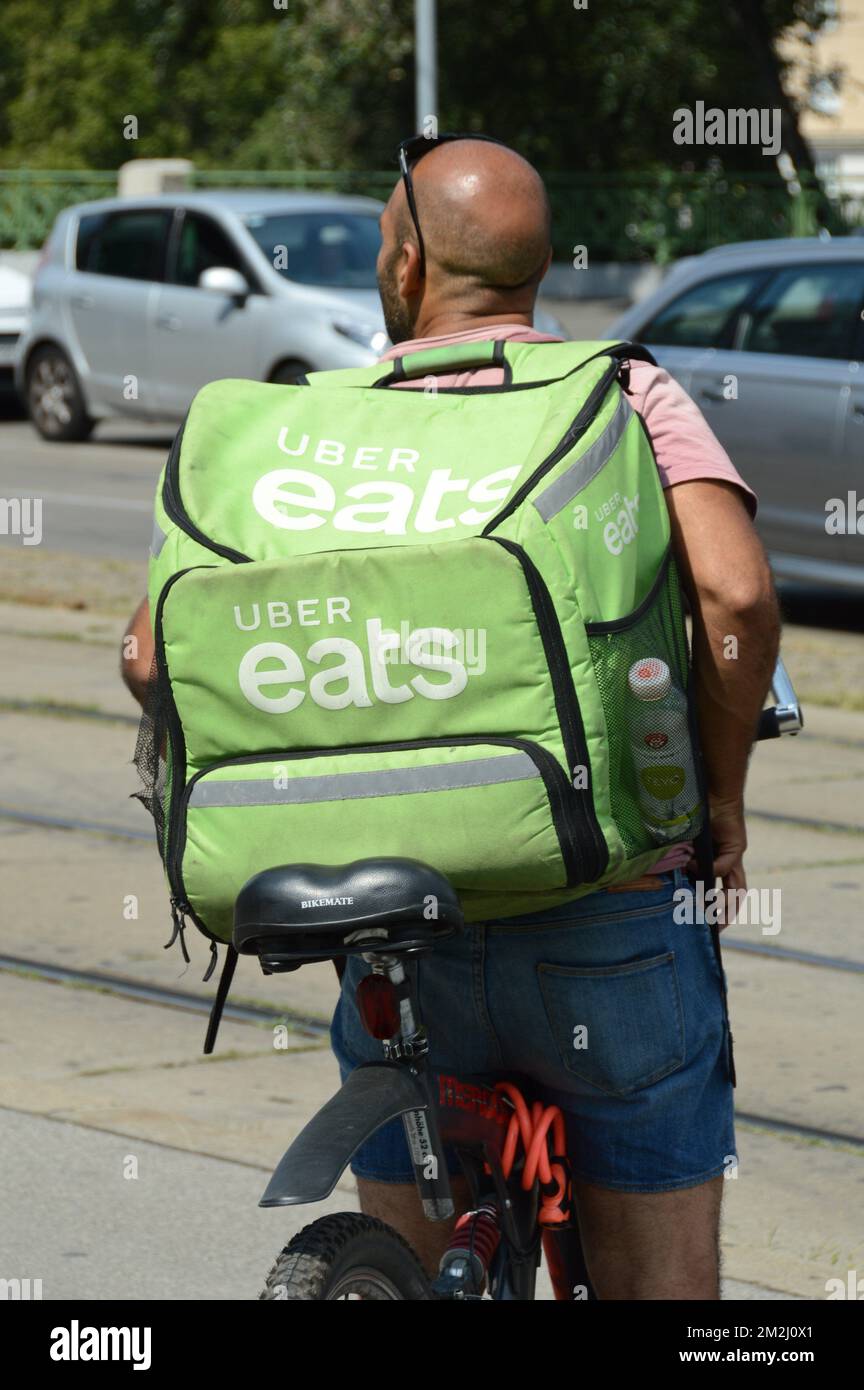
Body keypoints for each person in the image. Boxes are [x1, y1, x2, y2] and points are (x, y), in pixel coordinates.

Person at [121, 135, 780, 1300]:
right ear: (534, 271)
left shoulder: (294, 432)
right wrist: (720, 804)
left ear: (405, 263)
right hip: (601, 912)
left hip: (375, 915)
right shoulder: (622, 392)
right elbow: (733, 597)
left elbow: (145, 653)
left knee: (412, 1254)